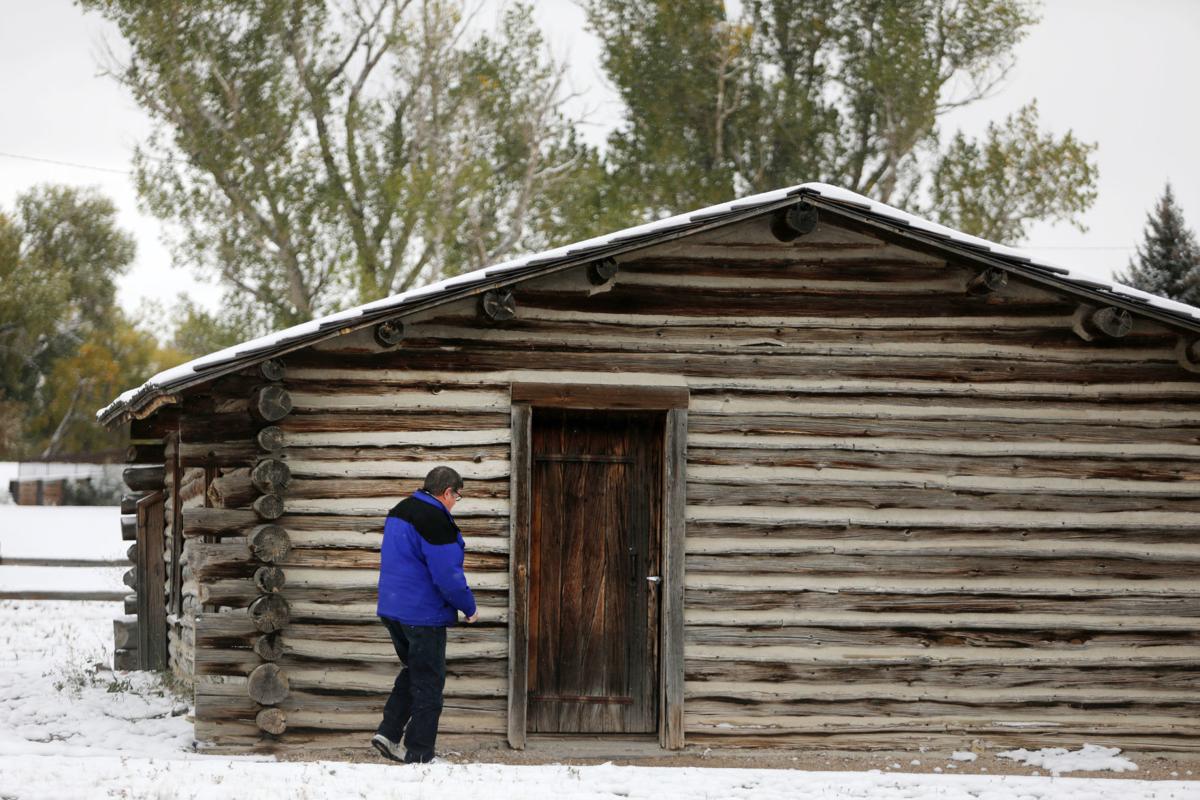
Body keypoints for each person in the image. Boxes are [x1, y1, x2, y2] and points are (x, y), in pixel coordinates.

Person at [372, 466, 478, 764]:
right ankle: (419, 753)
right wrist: (468, 607)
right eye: (457, 496)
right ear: (447, 492)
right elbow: (448, 576)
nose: (456, 502)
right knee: (429, 680)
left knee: (414, 670)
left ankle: (389, 733)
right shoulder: (435, 519)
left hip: (393, 610)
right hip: (421, 614)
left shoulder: (401, 509)